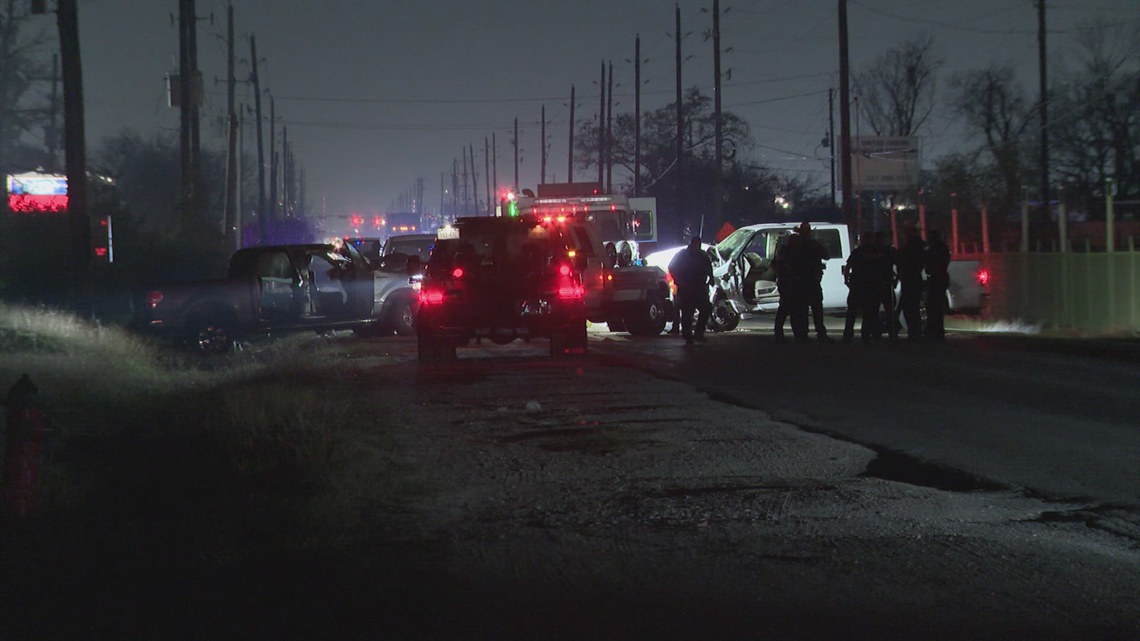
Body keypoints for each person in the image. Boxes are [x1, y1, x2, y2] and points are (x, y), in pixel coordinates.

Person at [668, 235, 714, 345]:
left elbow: (671, 267)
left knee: (687, 312)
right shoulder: (700, 255)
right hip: (697, 287)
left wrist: (678, 280)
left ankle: (688, 335)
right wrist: (710, 280)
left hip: (687, 288)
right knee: (703, 309)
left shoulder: (682, 254)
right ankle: (697, 333)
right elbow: (709, 269)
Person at [793, 222, 832, 342]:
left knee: (804, 310)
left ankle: (804, 335)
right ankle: (818, 333)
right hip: (809, 281)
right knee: (814, 310)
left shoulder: (798, 245)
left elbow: (826, 255)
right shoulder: (812, 245)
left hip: (804, 281)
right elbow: (826, 255)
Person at [841, 231, 882, 342]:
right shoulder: (875, 252)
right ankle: (867, 334)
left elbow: (848, 267)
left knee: (852, 312)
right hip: (868, 286)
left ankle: (848, 335)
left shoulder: (857, 252)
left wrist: (847, 281)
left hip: (857, 285)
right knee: (868, 312)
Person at [896, 224, 926, 340]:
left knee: (910, 307)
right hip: (911, 278)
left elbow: (905, 260)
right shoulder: (916, 245)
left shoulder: (912, 246)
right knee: (911, 307)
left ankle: (914, 332)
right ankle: (914, 332)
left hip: (910, 279)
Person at [770, 233, 802, 342]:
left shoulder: (787, 251)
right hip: (788, 283)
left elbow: (774, 265)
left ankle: (782, 334)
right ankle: (785, 334)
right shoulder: (788, 252)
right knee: (788, 310)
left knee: (788, 310)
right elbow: (775, 265)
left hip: (788, 283)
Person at [924, 229, 951, 341]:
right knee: (938, 307)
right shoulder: (943, 248)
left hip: (936, 278)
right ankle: (938, 331)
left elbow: (929, 265)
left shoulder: (933, 250)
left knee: (933, 306)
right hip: (941, 278)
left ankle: (933, 330)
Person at [874, 231, 899, 339]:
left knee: (889, 310)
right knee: (874, 310)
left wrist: (896, 278)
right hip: (876, 283)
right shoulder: (873, 250)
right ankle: (877, 333)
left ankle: (891, 332)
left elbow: (899, 263)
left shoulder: (889, 251)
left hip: (886, 282)